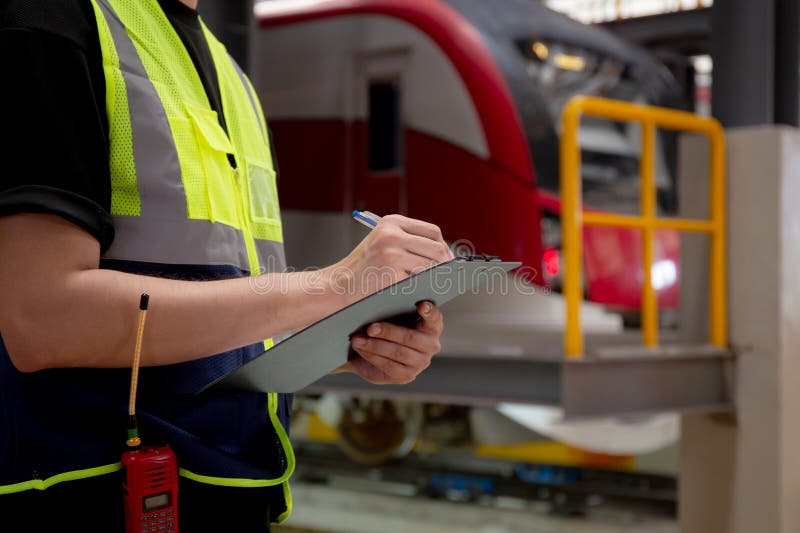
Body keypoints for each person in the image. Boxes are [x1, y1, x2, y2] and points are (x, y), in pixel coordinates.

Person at [0, 0, 451, 531]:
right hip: (88, 491)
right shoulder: (49, 19)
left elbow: (226, 304)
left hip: (228, 491)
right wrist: (331, 286)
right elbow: (42, 319)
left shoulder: (230, 74)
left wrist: (351, 343)